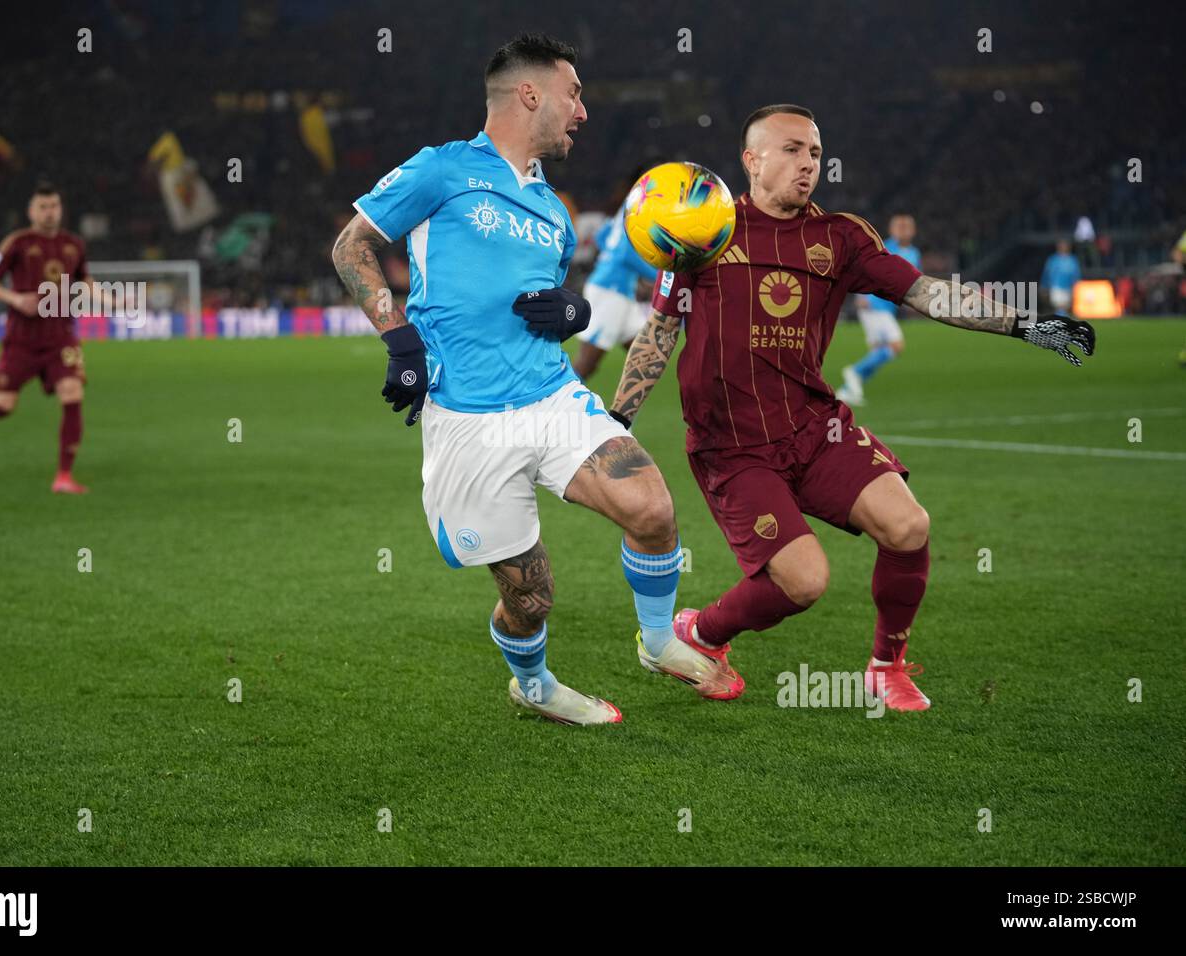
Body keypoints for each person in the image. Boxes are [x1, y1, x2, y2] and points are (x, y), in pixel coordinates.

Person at [610, 104, 1095, 711]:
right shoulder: (706, 230)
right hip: (732, 444)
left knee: (908, 526)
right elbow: (660, 332)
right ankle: (702, 632)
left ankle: (885, 667)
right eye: (791, 150)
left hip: (815, 429)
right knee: (805, 581)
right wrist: (618, 419)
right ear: (751, 160)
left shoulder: (840, 237)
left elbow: (928, 295)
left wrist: (1027, 325)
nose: (807, 163)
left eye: (814, 152)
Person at [330, 34, 741, 726]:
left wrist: (573, 309)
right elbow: (353, 246)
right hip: (469, 420)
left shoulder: (554, 210)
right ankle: (535, 684)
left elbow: (547, 306)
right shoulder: (443, 170)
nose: (583, 111)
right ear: (530, 94)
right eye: (574, 93)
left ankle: (660, 638)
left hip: (551, 397)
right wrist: (399, 340)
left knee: (653, 508)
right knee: (531, 597)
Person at [0, 182, 91, 494]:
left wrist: (114, 301)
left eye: (54, 206)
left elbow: (86, 281)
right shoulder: (16, 242)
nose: (49, 212)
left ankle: (63, 477)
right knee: (3, 407)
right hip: (22, 340)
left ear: (61, 209)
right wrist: (15, 300)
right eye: (43, 207)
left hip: (62, 337)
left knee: (72, 394)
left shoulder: (74, 244)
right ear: (31, 211)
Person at [571, 166, 658, 382]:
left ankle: (622, 414)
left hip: (617, 289)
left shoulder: (628, 207)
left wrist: (609, 256)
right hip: (611, 291)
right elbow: (625, 254)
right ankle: (551, 409)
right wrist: (661, 277)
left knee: (646, 358)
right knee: (587, 364)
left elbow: (602, 237)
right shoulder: (641, 208)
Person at [836, 214, 919, 405]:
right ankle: (854, 372)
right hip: (874, 305)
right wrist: (862, 296)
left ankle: (849, 389)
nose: (903, 230)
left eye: (906, 226)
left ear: (913, 230)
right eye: (899, 226)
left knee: (878, 351)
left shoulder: (915, 253)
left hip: (887, 308)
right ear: (892, 229)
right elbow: (865, 269)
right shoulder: (884, 247)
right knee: (896, 346)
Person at [1041, 239, 1081, 312]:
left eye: (1065, 246)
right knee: (1058, 305)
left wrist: (1076, 286)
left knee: (1065, 306)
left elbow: (1076, 274)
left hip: (1068, 287)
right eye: (1061, 246)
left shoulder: (1072, 260)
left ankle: (1062, 319)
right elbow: (1047, 273)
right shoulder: (1053, 259)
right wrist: (1044, 286)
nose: (1063, 247)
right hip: (1056, 287)